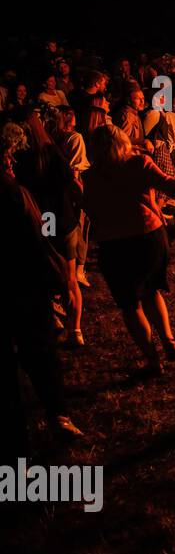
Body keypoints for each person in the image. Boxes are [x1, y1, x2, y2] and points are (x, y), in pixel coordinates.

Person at [82, 124, 175, 376]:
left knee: (130, 304)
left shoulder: (90, 177)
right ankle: (169, 340)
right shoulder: (139, 163)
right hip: (148, 236)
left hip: (114, 244)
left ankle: (153, 359)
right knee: (152, 290)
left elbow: (90, 208)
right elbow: (169, 184)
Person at [1, 124, 80, 456]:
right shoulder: (13, 192)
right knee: (42, 352)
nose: (11, 161)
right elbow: (37, 239)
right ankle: (57, 414)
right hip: (23, 283)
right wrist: (59, 276)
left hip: (18, 282)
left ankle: (18, 451)